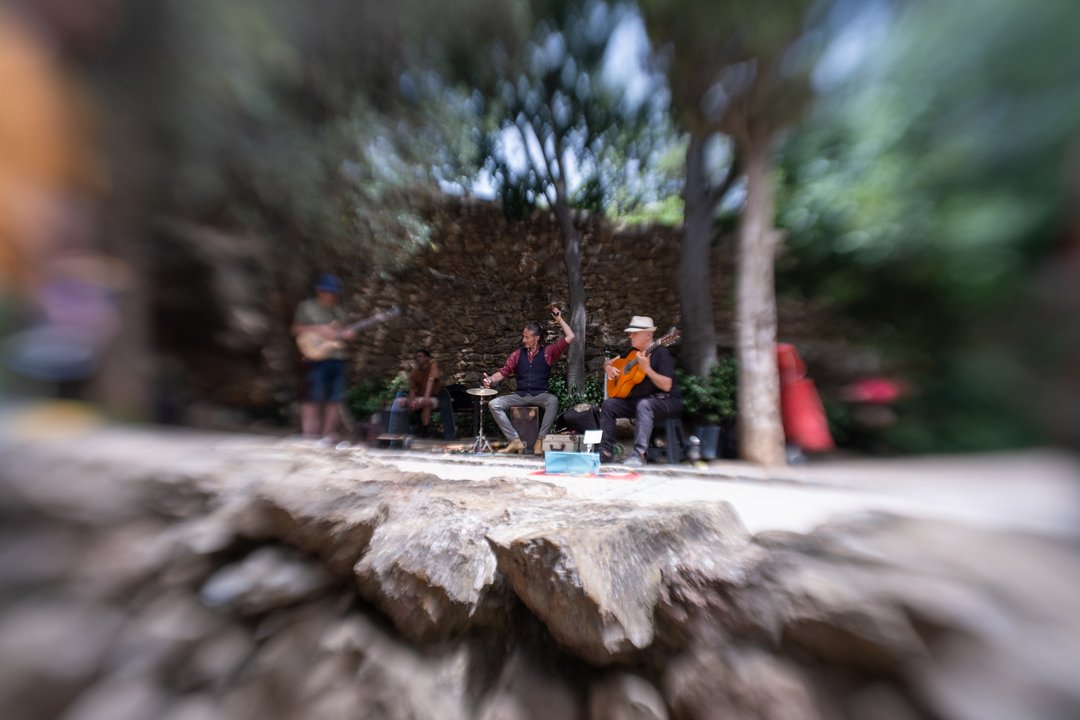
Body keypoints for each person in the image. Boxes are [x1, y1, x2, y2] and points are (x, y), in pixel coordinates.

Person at [482, 305, 574, 454]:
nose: (523, 340)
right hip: (520, 395)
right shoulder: (517, 354)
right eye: (523, 336)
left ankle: (540, 441)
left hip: (540, 395)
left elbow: (570, 337)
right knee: (494, 404)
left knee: (552, 401)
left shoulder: (548, 352)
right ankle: (515, 441)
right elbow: (503, 372)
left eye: (527, 337)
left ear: (536, 338)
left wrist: (559, 319)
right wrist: (490, 380)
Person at [599, 315, 682, 468]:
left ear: (648, 334)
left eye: (634, 333)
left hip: (666, 400)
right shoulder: (633, 353)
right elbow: (608, 362)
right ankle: (605, 453)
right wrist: (609, 368)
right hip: (641, 401)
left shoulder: (661, 353)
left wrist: (647, 369)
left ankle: (639, 455)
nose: (630, 335)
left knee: (644, 405)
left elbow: (667, 386)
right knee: (609, 404)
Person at [291, 274, 355, 441]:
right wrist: (320, 329)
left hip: (337, 357)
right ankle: (309, 433)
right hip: (315, 357)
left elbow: (339, 334)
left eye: (333, 292)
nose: (330, 295)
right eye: (326, 291)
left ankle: (328, 434)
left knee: (335, 397)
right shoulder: (307, 307)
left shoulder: (339, 311)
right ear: (319, 290)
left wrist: (346, 334)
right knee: (312, 395)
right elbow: (296, 329)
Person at [388, 348, 455, 440]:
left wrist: (426, 397)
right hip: (420, 397)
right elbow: (412, 390)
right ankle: (399, 434)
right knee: (400, 401)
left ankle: (426, 429)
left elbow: (430, 380)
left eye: (420, 356)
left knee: (426, 403)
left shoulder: (432, 366)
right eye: (416, 357)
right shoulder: (415, 373)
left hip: (434, 397)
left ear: (426, 358)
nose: (418, 359)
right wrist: (412, 401)